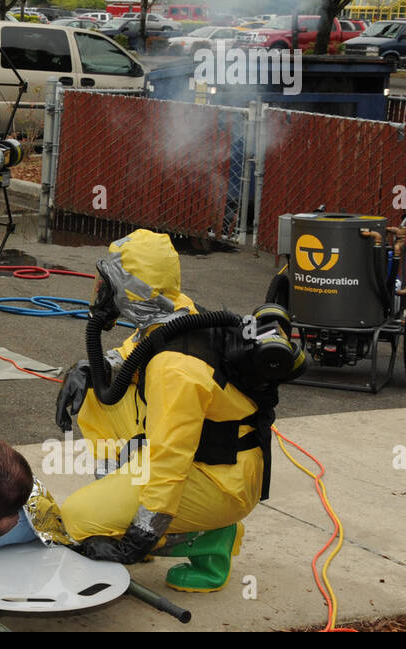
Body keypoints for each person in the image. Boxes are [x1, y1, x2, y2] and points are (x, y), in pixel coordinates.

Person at [60, 229, 266, 592]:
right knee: (98, 390)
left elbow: (170, 461)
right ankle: (123, 498)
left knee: (78, 520)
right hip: (205, 457)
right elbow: (131, 354)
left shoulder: (174, 369)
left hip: (220, 479)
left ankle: (208, 539)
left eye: (107, 284)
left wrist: (134, 542)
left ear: (132, 292)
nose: (99, 292)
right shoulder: (174, 309)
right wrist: (88, 368)